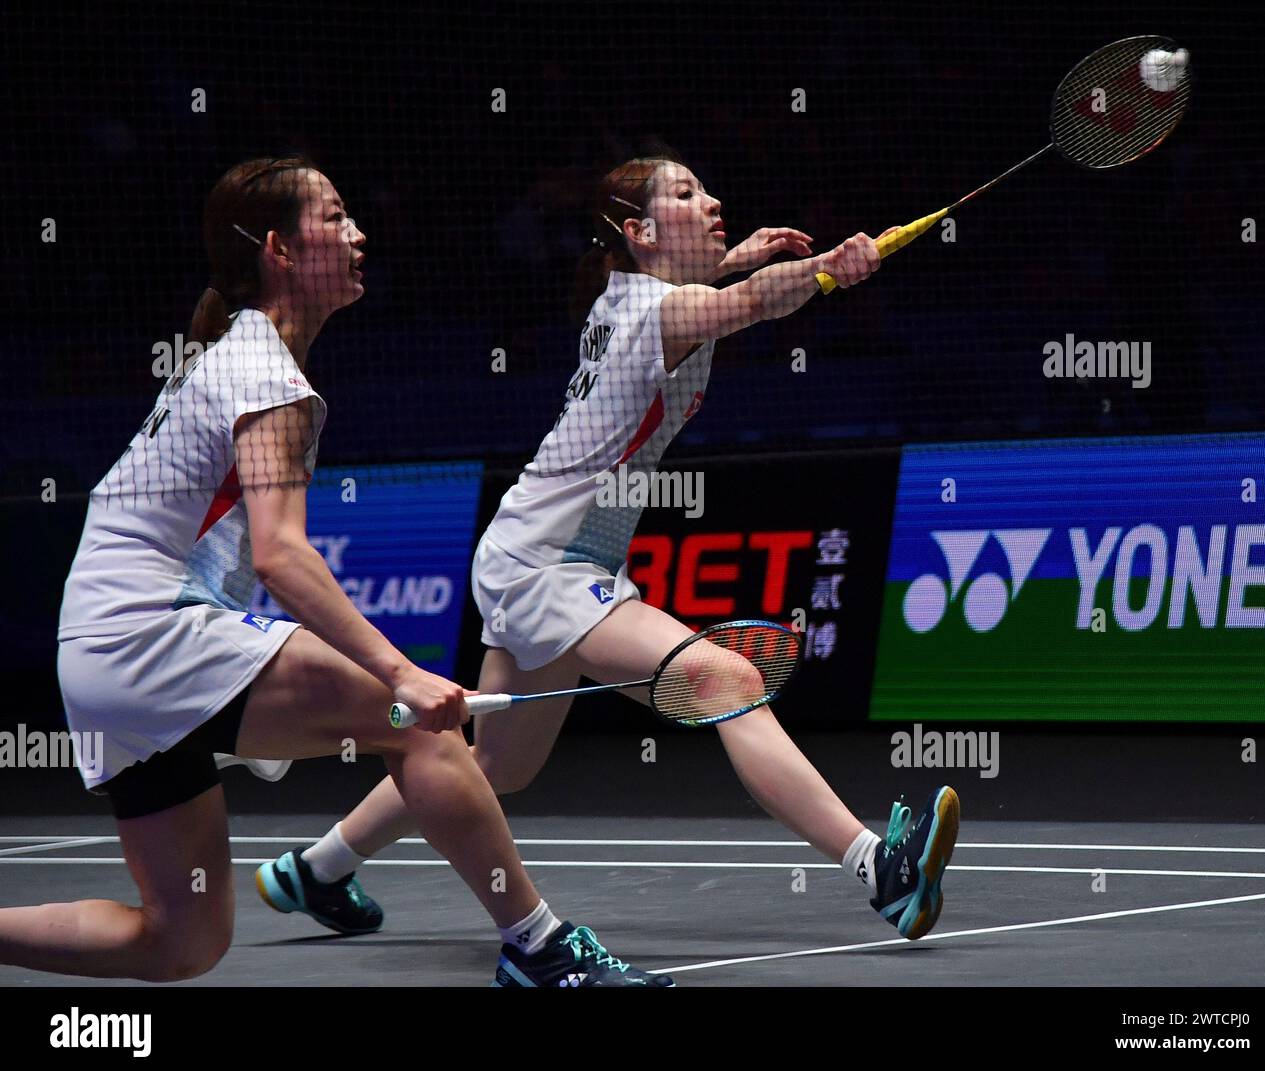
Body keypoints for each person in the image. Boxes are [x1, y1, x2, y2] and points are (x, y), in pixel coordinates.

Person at [0, 156, 668, 988]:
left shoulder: (241, 356)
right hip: (151, 632)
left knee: (180, 939)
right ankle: (539, 945)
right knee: (414, 721)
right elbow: (283, 554)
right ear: (279, 248)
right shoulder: (261, 373)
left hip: (98, 661)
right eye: (335, 218)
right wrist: (401, 672)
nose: (359, 234)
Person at [259, 155, 960, 946]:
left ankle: (314, 868)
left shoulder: (621, 297)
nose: (714, 199)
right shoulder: (652, 315)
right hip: (547, 564)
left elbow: (703, 295)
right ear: (640, 230)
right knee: (727, 678)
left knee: (491, 768)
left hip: (538, 553)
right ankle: (883, 871)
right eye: (689, 194)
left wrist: (737, 257)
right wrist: (826, 270)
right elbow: (746, 307)